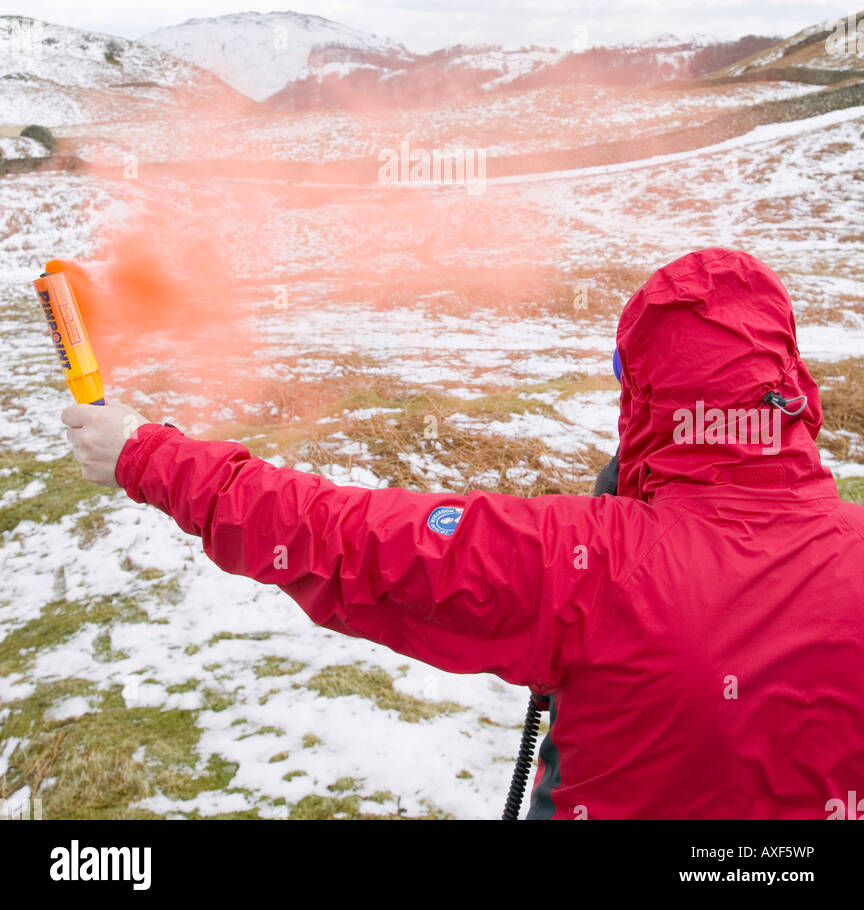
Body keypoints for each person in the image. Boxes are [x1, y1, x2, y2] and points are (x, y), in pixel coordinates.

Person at [61, 247, 864, 820]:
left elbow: (338, 538)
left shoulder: (587, 563)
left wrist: (144, 454)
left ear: (643, 396)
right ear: (789, 384)